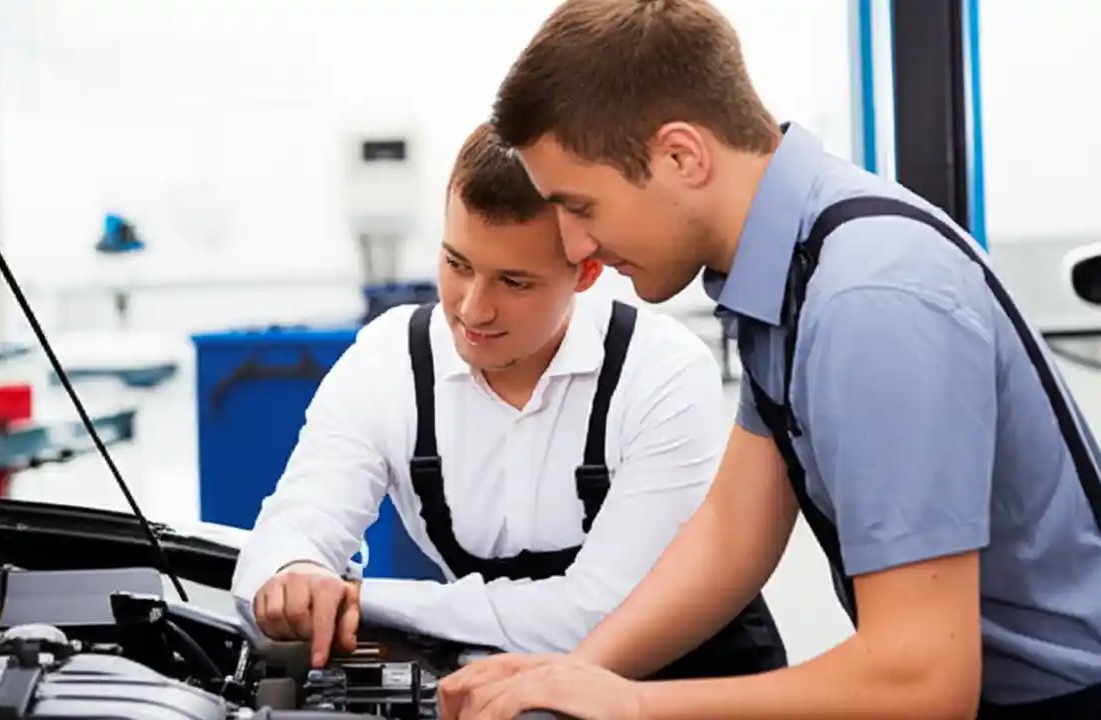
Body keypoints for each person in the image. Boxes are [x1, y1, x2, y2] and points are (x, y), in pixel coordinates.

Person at [437, 1, 1101, 719]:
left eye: (581, 206)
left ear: (681, 156)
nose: (573, 246)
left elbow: (922, 681)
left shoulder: (867, 297)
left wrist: (631, 706)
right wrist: (570, 675)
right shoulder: (789, 268)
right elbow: (734, 534)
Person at [229, 121, 788, 678]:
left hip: (696, 690)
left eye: (514, 282)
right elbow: (283, 538)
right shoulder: (387, 361)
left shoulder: (660, 374)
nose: (473, 309)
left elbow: (595, 614)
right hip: (530, 690)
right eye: (457, 264)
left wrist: (357, 599)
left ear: (587, 269)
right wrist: (296, 571)